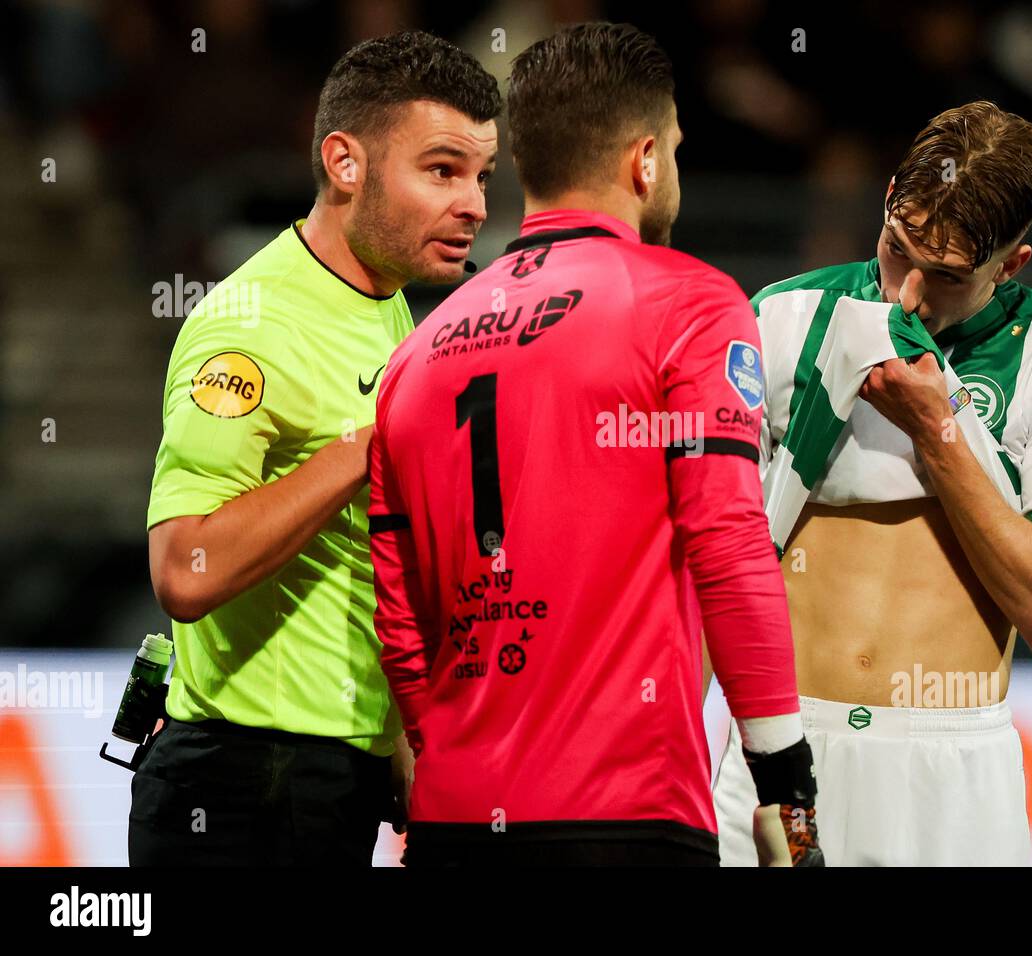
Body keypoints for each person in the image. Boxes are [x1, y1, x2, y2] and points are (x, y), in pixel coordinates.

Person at [369, 22, 821, 867]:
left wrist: (440, 764)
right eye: (676, 150)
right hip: (624, 815)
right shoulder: (690, 305)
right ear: (645, 159)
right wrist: (785, 782)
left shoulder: (415, 355)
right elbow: (727, 540)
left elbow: (397, 612)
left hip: (452, 822)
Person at [712, 101, 1032, 866]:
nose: (905, 292)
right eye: (897, 249)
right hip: (771, 743)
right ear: (885, 205)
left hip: (947, 772)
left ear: (1012, 266)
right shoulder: (781, 317)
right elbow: (706, 554)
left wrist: (938, 434)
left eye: (944, 276)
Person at [134, 31, 500, 865]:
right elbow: (183, 572)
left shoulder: (396, 308)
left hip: (338, 776)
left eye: (481, 176)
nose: (475, 203)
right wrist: (368, 445)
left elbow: (369, 566)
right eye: (442, 170)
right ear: (345, 163)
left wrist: (407, 753)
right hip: (237, 784)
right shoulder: (249, 326)